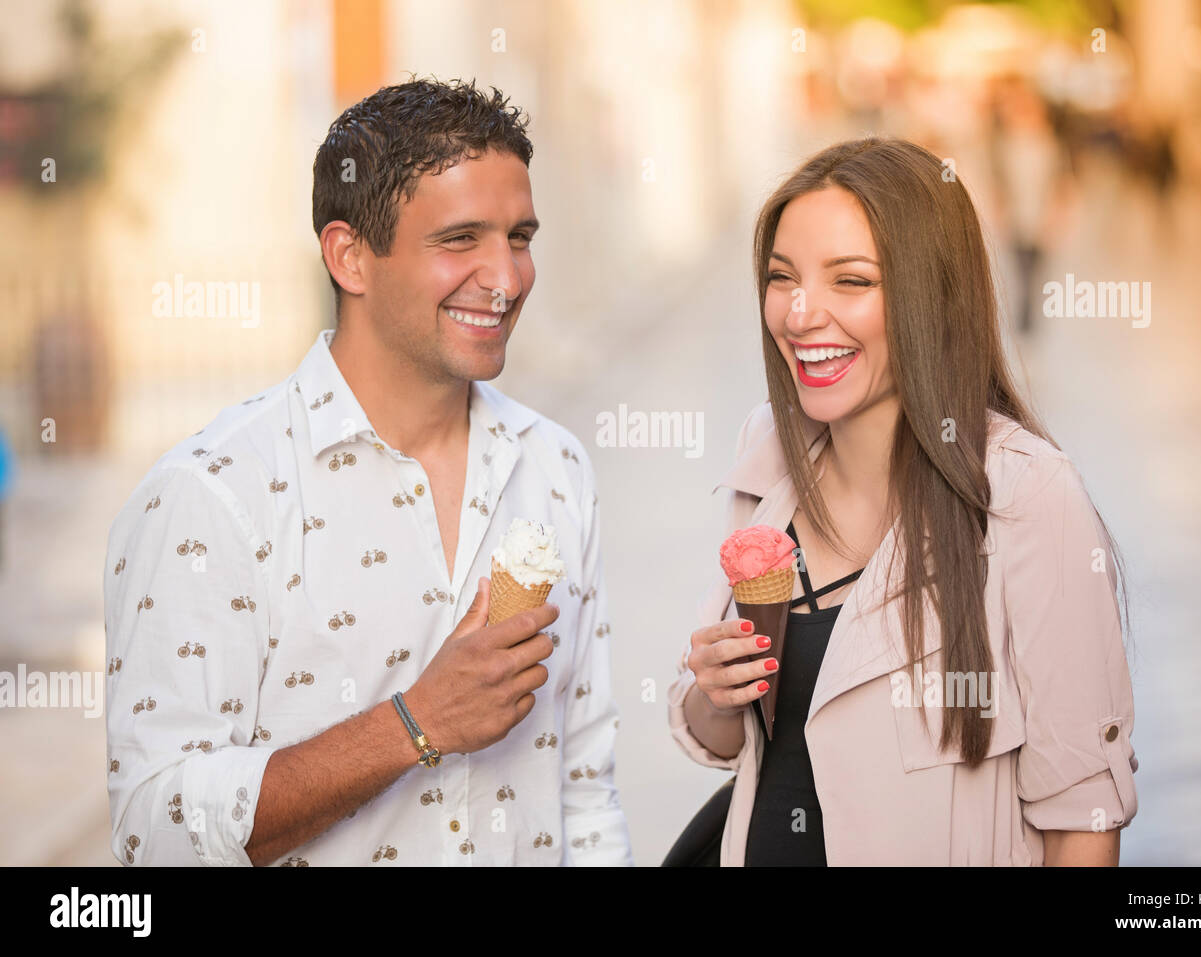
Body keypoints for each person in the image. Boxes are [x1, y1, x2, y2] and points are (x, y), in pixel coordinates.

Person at [103, 78, 632, 866]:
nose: (507, 277)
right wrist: (416, 722)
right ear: (350, 255)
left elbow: (585, 787)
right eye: (461, 240)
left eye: (519, 237)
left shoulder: (555, 465)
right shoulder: (212, 494)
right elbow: (156, 830)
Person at [667, 137, 1138, 866]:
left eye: (851, 281)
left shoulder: (1027, 495)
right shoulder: (767, 455)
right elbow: (731, 741)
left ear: (931, 294)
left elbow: (1084, 819)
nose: (800, 313)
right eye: (782, 277)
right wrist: (716, 693)